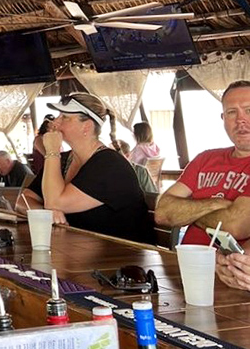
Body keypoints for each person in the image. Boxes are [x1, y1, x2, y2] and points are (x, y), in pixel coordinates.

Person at [16, 92, 156, 244]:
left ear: (86, 127)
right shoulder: (63, 160)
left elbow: (54, 202)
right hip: (80, 250)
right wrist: (45, 214)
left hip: (124, 258)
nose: (55, 122)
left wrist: (51, 151)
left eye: (64, 117)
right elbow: (23, 200)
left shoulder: (109, 165)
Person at [155, 80, 250, 247]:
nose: (240, 120)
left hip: (232, 270)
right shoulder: (205, 159)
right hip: (186, 265)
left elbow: (237, 225)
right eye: (232, 112)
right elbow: (163, 212)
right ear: (223, 118)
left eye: (249, 110)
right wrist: (218, 205)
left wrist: (190, 213)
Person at [117, 139, 159, 209]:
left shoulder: (140, 171)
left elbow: (151, 196)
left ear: (127, 155)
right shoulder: (140, 170)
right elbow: (152, 195)